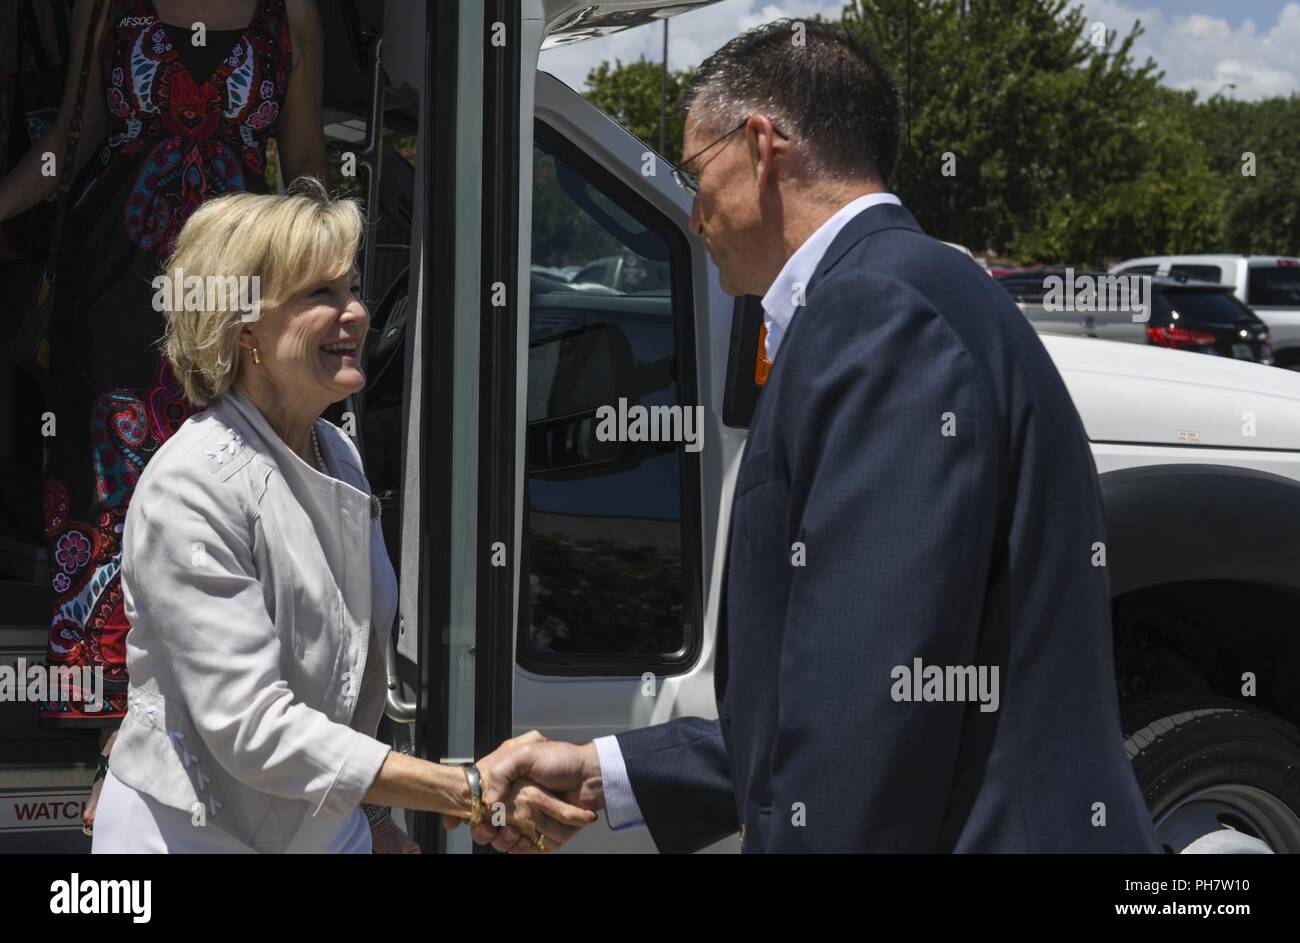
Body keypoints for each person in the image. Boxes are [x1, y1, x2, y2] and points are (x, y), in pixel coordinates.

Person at [459, 19, 1163, 853]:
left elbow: (869, 717)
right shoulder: (903, 291)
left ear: (760, 146)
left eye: (694, 173)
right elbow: (837, 692)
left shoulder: (878, 312)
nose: (692, 213)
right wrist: (603, 769)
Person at [91, 179, 596, 853]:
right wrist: (466, 788)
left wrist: (375, 816)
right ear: (244, 329)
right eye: (320, 294)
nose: (356, 312)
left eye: (354, 288)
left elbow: (346, 674)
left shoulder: (335, 451)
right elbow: (253, 729)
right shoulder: (192, 485)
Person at [0, 0, 329, 836]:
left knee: (217, 501)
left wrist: (324, 296)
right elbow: (71, 147)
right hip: (112, 284)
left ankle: (211, 729)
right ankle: (122, 748)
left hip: (230, 303)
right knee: (111, 505)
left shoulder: (291, 13)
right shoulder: (107, 6)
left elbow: (304, 170)